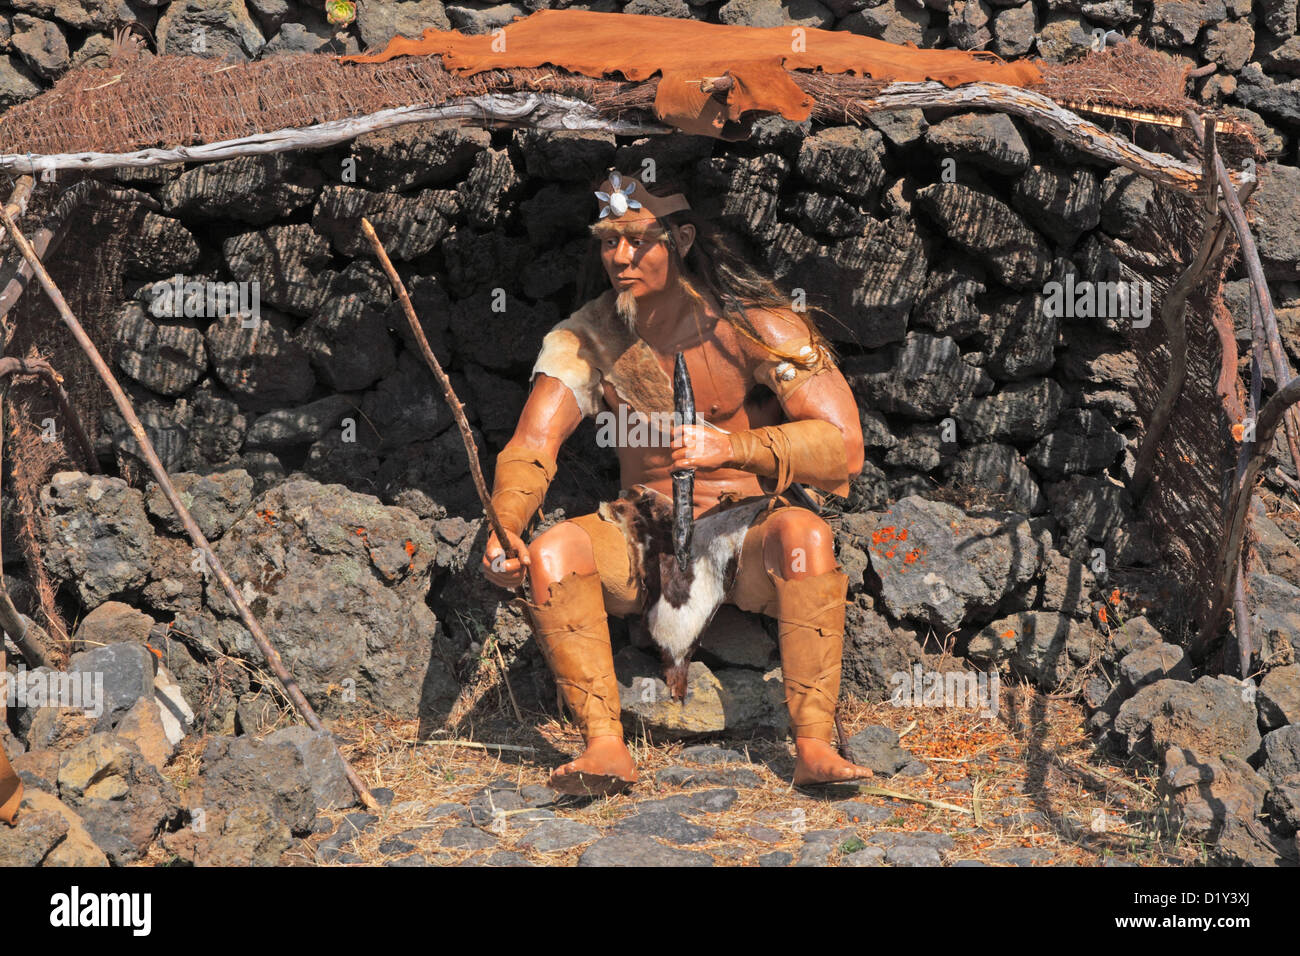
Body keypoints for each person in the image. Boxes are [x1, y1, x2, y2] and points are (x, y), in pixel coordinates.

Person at [481, 168, 874, 795]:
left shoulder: (755, 326)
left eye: (638, 239)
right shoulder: (591, 337)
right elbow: (532, 445)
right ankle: (605, 749)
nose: (620, 256)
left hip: (745, 527)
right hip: (644, 531)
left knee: (806, 535)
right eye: (608, 241)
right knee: (553, 553)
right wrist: (507, 528)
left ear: (681, 240)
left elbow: (844, 447)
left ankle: (814, 746)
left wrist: (735, 446)